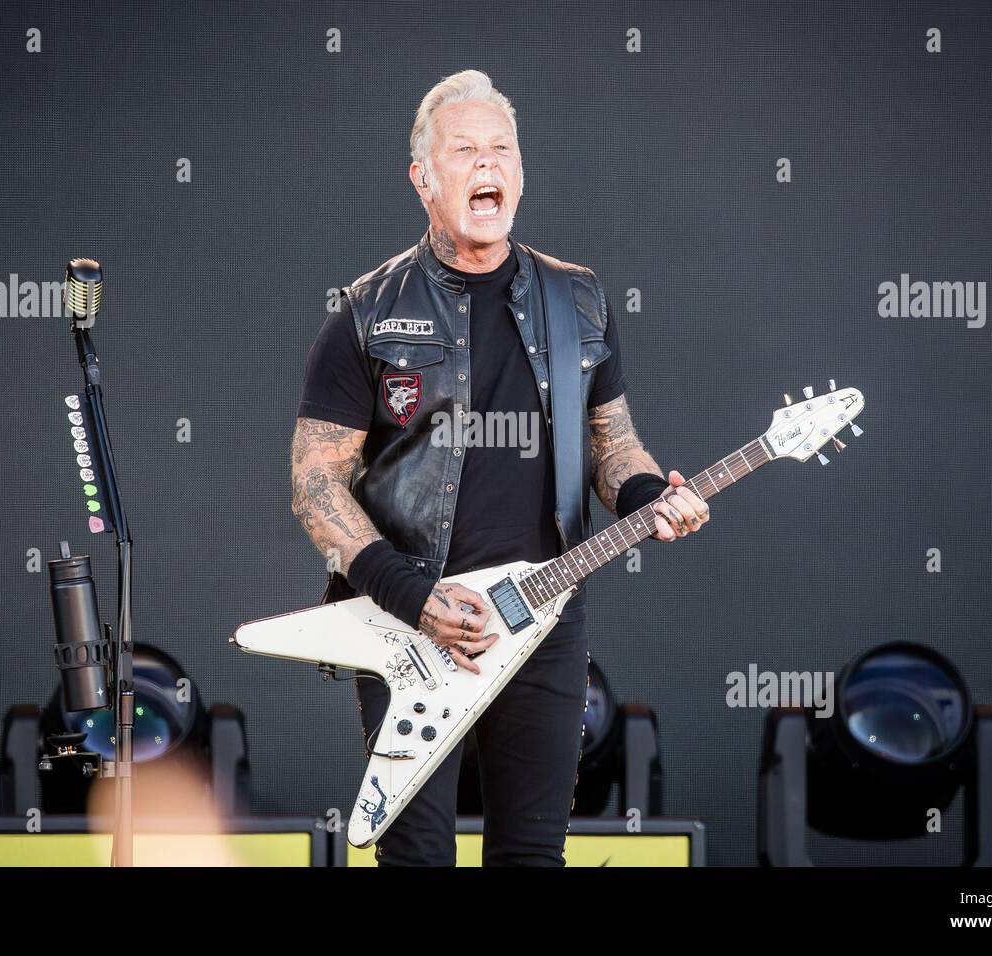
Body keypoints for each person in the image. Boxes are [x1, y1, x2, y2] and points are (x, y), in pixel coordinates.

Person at [291, 69, 708, 866]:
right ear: (422, 177)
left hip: (543, 624)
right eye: (465, 151)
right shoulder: (367, 311)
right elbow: (315, 485)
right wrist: (414, 598)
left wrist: (654, 494)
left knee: (531, 857)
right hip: (409, 624)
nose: (489, 164)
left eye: (503, 149)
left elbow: (613, 447)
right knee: (416, 858)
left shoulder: (577, 300)